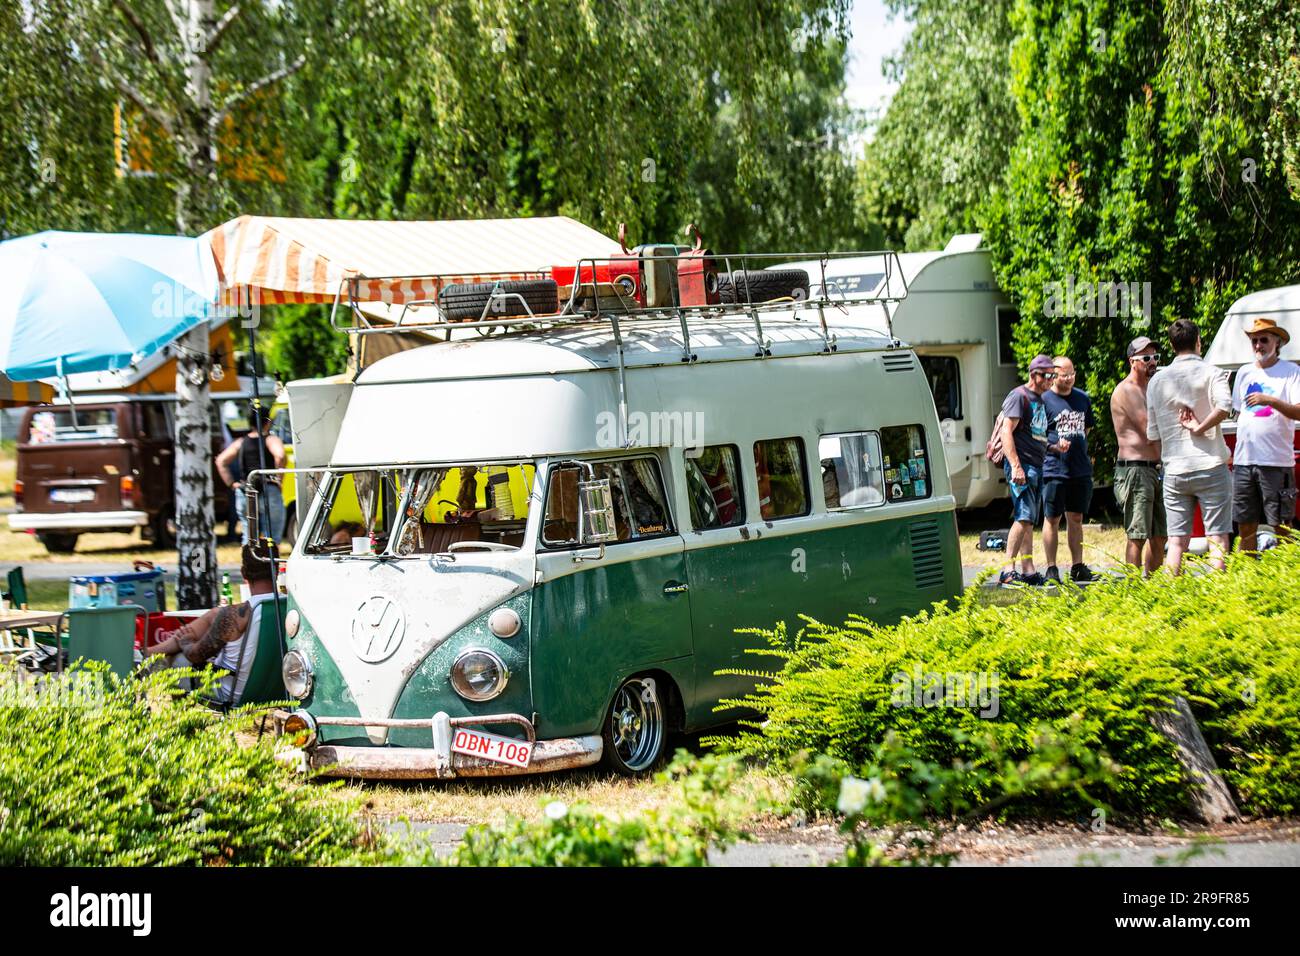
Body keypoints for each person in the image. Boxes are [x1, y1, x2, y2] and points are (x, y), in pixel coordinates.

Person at [1146, 318, 1232, 573]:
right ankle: (1220, 600)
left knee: (1176, 541)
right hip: (1211, 464)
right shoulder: (1211, 372)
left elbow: (1152, 434)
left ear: (1172, 346)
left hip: (1175, 469)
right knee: (1216, 537)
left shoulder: (1157, 381)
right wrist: (1201, 427)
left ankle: (1174, 601)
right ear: (1198, 342)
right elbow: (1224, 406)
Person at [146, 543, 280, 705]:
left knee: (178, 660)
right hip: (278, 691)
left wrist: (186, 642)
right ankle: (148, 652)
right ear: (277, 570)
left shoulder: (235, 616)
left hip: (234, 694)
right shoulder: (290, 605)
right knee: (217, 613)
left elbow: (195, 655)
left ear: (244, 573)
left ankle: (185, 725)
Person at [1230, 317, 1300, 550]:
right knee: (1245, 525)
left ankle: (1286, 578)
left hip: (1276, 461)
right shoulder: (1244, 372)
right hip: (1244, 461)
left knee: (1282, 525)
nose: (1258, 345)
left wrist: (1269, 400)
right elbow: (1240, 413)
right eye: (1254, 341)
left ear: (1277, 342)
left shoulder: (1291, 371)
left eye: (1264, 340)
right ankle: (1247, 578)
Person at [998, 354, 1064, 586]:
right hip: (1021, 465)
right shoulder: (1019, 396)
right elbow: (1006, 432)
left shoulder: (1040, 400)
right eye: (1048, 375)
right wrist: (1016, 465)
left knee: (1028, 519)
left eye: (1053, 376)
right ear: (1034, 375)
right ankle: (1008, 570)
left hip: (1035, 466)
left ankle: (1027, 570)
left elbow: (1037, 435)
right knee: (1024, 516)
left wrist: (1055, 447)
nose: (1051, 380)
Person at [1110, 336, 1168, 575]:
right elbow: (1150, 429)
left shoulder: (1152, 389)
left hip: (1155, 469)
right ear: (1132, 361)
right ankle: (1133, 591)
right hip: (1135, 469)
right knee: (1138, 535)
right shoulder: (1127, 391)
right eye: (1146, 358)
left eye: (1155, 357)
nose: (1152, 361)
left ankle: (1150, 586)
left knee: (1160, 535)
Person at [1041, 355, 1096, 583]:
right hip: (1054, 469)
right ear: (1054, 375)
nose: (1070, 378)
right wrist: (1055, 446)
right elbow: (1036, 435)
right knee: (1052, 518)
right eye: (1065, 375)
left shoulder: (1082, 398)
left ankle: (1077, 566)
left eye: (1073, 374)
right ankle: (1052, 568)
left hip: (1079, 469)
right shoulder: (1044, 400)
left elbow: (1088, 428)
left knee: (1076, 517)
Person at [216, 406, 287, 544]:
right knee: (272, 535)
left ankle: (249, 564)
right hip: (268, 489)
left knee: (248, 536)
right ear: (268, 421)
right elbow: (280, 456)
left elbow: (221, 461)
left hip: (245, 490)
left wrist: (231, 483)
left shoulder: (240, 442)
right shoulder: (271, 439)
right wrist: (279, 479)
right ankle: (269, 563)